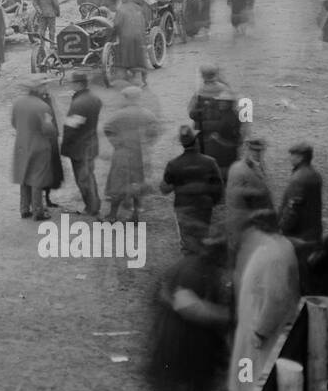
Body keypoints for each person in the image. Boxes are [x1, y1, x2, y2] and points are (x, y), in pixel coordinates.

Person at [147, 218, 230, 391]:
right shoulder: (202, 273)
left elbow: (159, 294)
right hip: (184, 339)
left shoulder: (190, 266)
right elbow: (193, 310)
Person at [227, 209, 300, 391]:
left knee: (254, 377)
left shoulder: (273, 253)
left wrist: (261, 330)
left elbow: (276, 296)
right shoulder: (276, 246)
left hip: (261, 327)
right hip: (256, 319)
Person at [160, 125, 224, 255]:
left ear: (182, 144)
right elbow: (219, 186)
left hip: (183, 207)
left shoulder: (173, 164)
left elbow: (164, 189)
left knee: (187, 242)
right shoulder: (210, 162)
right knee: (202, 238)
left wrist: (177, 184)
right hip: (204, 208)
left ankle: (189, 263)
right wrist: (213, 202)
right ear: (196, 141)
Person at [102, 86, 162, 222]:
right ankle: (135, 216)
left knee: (117, 183)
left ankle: (112, 216)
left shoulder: (119, 114)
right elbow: (154, 131)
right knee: (137, 183)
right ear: (138, 98)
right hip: (139, 154)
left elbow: (107, 128)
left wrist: (116, 143)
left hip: (122, 153)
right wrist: (147, 143)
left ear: (126, 98)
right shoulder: (147, 114)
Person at [11, 75, 63, 220]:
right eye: (44, 85)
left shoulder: (18, 103)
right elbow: (49, 129)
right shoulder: (43, 106)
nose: (46, 88)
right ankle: (38, 211)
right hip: (39, 146)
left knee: (24, 177)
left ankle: (24, 209)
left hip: (21, 145)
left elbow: (14, 123)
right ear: (38, 89)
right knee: (37, 179)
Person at [60, 70, 103, 217]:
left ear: (79, 84)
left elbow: (71, 128)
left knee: (83, 179)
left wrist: (65, 147)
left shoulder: (79, 103)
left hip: (79, 148)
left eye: (73, 82)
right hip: (91, 144)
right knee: (89, 176)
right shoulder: (94, 99)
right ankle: (95, 203)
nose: (71, 85)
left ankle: (91, 207)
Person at [188, 65, 240, 182]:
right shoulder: (225, 89)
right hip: (225, 135)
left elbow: (191, 113)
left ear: (203, 76)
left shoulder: (199, 92)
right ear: (215, 74)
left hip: (205, 136)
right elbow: (236, 112)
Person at [225, 137, 273, 261]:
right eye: (254, 151)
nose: (257, 154)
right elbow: (237, 195)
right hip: (245, 221)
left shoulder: (257, 165)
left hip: (251, 220)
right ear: (248, 150)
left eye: (259, 151)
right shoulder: (241, 170)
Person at [278, 142, 323, 248]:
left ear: (301, 157)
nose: (290, 158)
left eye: (293, 155)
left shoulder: (299, 178)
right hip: (313, 233)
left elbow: (292, 209)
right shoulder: (315, 174)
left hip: (299, 236)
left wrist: (282, 228)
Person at [111, 0, 149, 87]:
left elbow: (116, 25)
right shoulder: (138, 8)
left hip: (126, 37)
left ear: (120, 1)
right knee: (139, 58)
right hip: (139, 36)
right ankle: (143, 79)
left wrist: (111, 38)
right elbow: (145, 22)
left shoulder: (121, 10)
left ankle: (125, 78)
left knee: (125, 58)